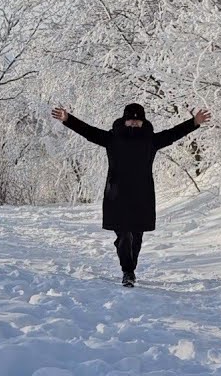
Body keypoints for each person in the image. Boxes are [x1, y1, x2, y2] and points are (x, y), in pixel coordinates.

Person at [51, 102, 211, 287]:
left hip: (142, 196)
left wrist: (194, 122)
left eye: (138, 120)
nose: (134, 123)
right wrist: (68, 119)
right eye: (131, 120)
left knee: (136, 236)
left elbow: (173, 133)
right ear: (125, 120)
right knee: (124, 235)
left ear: (143, 122)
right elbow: (89, 131)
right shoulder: (112, 139)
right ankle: (128, 271)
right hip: (117, 196)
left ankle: (130, 268)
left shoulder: (151, 140)